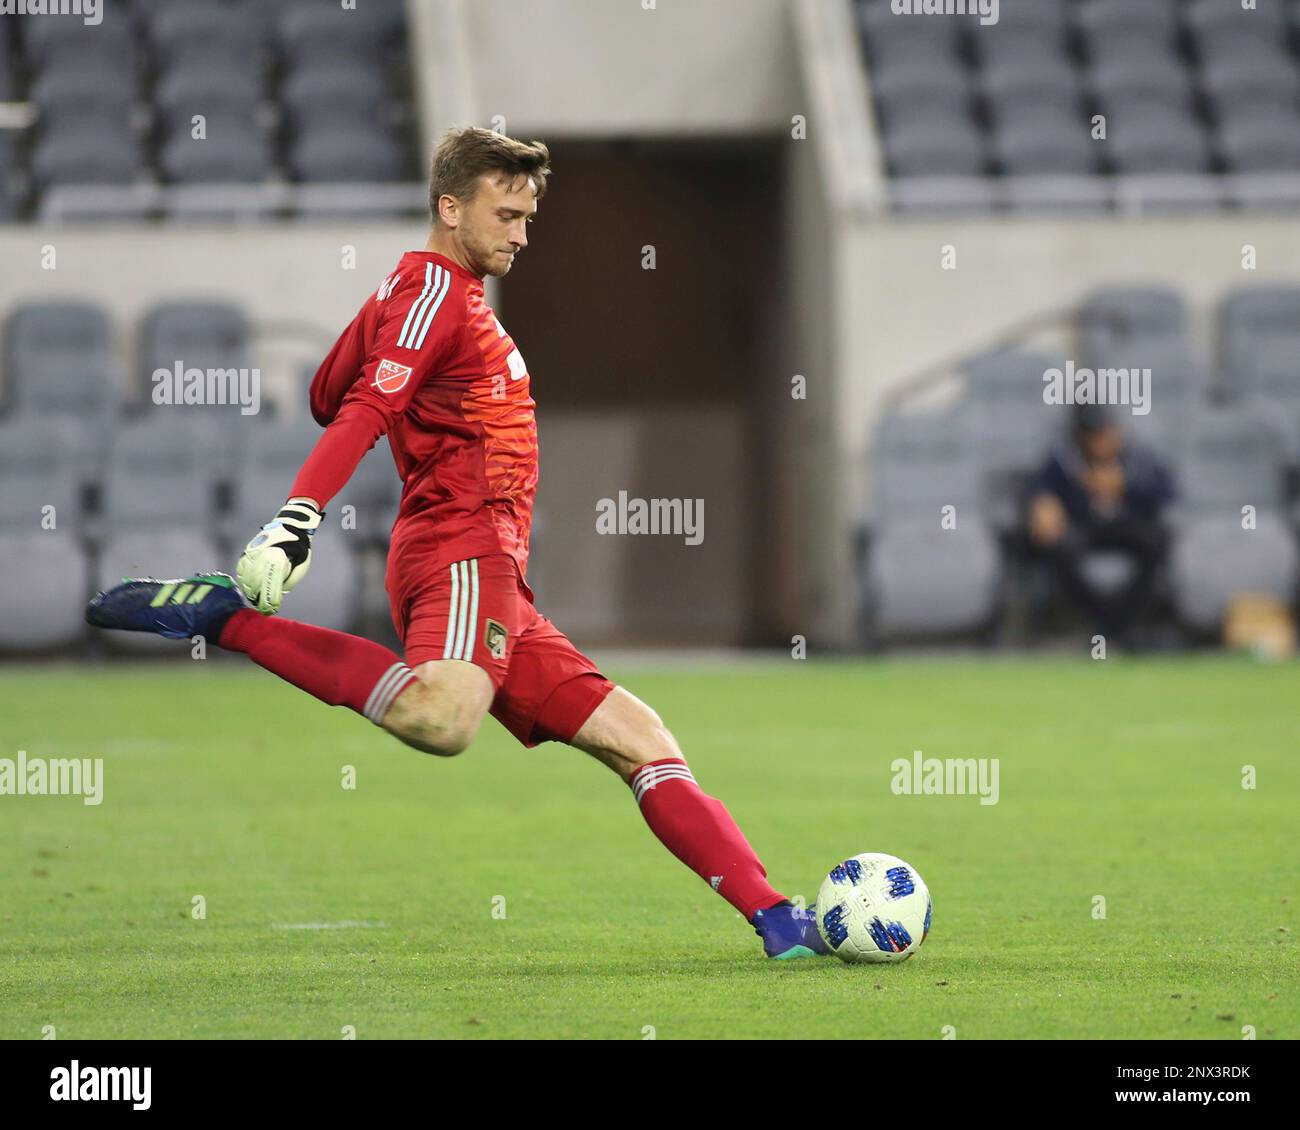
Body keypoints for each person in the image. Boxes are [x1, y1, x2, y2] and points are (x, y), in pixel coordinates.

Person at [86, 127, 826, 960]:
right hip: (460, 545)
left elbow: (329, 391)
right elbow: (360, 411)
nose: (520, 235)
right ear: (450, 207)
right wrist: (297, 519)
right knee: (443, 720)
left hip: (495, 571)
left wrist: (382, 311)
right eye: (505, 214)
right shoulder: (436, 293)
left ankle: (780, 920)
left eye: (528, 218)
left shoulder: (425, 293)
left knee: (641, 740)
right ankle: (225, 618)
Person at [1026, 404, 1175, 645]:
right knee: (1059, 549)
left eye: (1107, 432)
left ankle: (1109, 629)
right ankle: (1111, 628)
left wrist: (1126, 487)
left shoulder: (1138, 459)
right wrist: (1042, 504)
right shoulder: (1064, 460)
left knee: (1155, 544)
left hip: (1127, 526)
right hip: (1083, 527)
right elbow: (1040, 489)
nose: (1103, 440)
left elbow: (1165, 494)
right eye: (1095, 435)